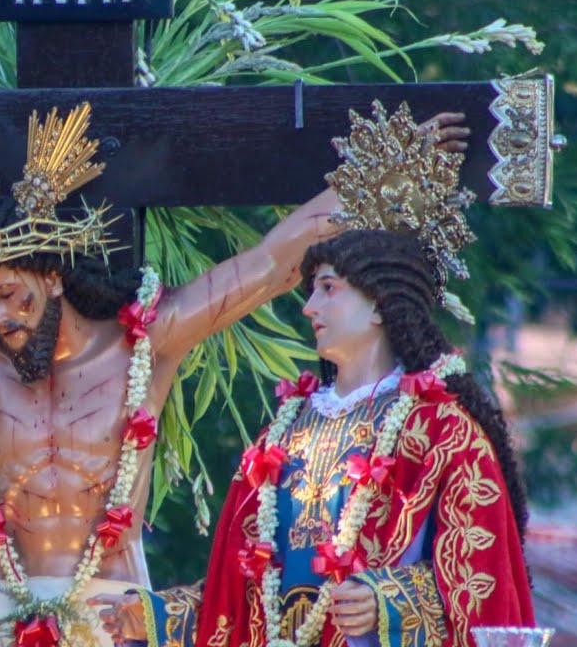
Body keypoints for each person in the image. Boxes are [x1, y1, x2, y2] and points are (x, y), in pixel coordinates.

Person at [0, 77, 468, 646]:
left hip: (118, 613)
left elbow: (269, 263)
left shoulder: (145, 345)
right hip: (3, 607)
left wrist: (382, 173)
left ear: (53, 276)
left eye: (11, 296)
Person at [90, 220, 535, 643]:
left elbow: (484, 582)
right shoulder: (283, 435)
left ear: (380, 302)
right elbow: (242, 595)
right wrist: (160, 617)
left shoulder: (441, 432)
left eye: (328, 288)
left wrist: (391, 604)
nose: (309, 307)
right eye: (311, 291)